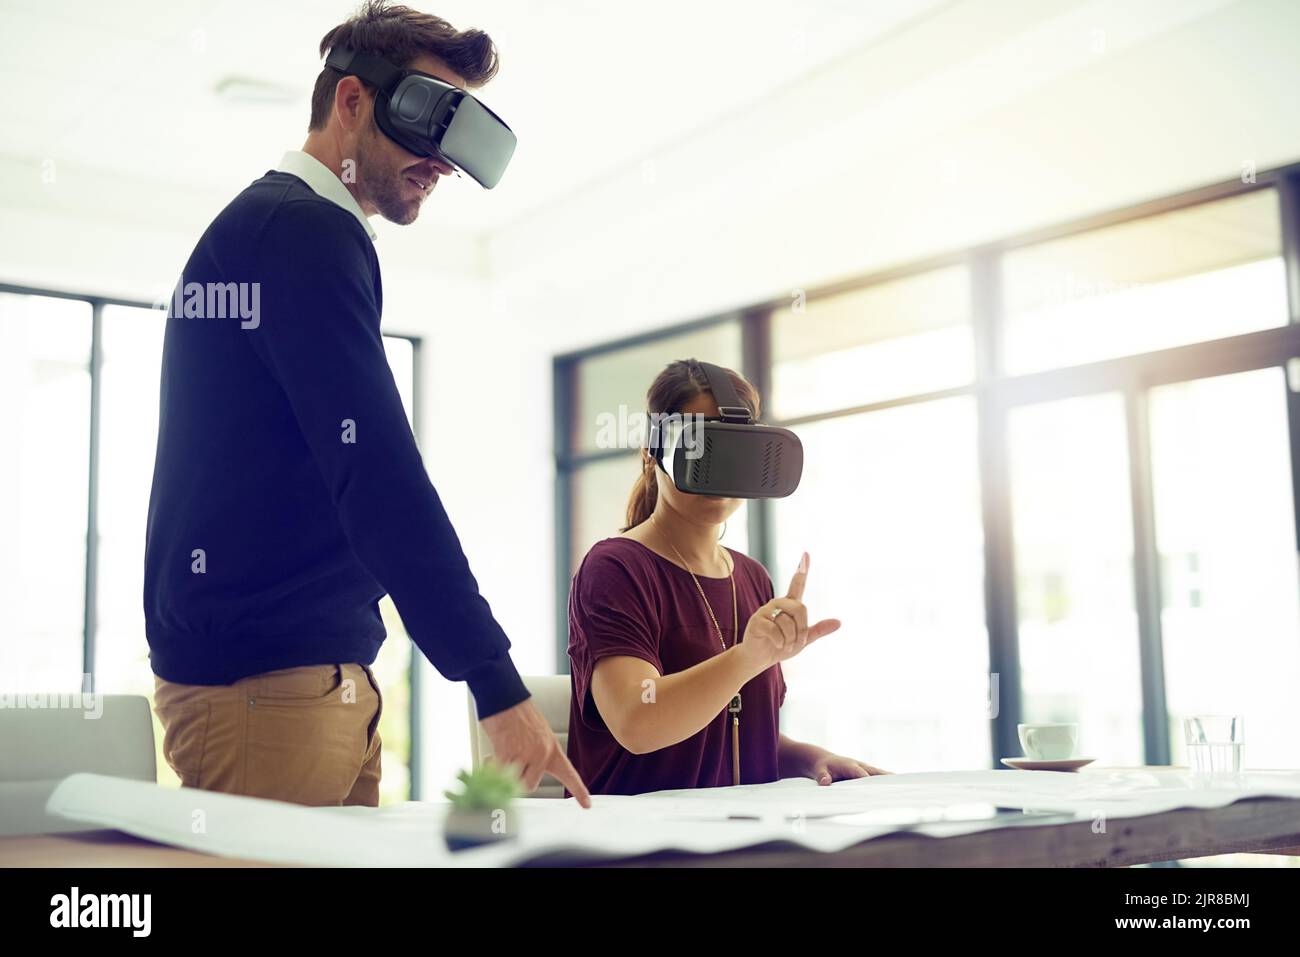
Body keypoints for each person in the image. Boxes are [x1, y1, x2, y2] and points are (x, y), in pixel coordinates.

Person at [145, 1, 589, 808]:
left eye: (456, 139)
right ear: (351, 102)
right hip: (267, 689)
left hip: (313, 680)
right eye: (425, 122)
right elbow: (379, 475)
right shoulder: (298, 230)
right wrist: (492, 678)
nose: (442, 161)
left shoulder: (288, 229)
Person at [565, 359, 891, 795]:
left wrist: (812, 759)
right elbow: (637, 723)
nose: (715, 475)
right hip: (630, 846)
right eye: (698, 447)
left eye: (733, 450)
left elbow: (734, 734)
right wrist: (747, 658)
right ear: (653, 452)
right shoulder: (616, 569)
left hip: (739, 839)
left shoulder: (753, 578)